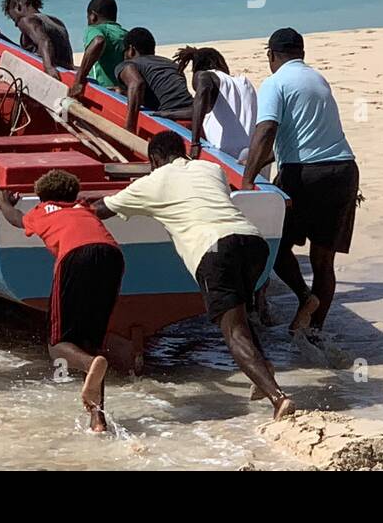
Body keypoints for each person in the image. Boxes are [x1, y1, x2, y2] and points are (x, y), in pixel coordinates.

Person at [95, 131, 295, 420]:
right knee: (241, 316)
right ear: (185, 152)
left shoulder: (152, 182)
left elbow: (103, 208)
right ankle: (263, 371)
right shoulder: (210, 168)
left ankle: (278, 398)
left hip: (213, 251)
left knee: (233, 332)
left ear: (154, 159)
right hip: (253, 243)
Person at [240, 28, 360, 336]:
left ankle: (305, 298)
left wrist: (246, 180)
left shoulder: (275, 82)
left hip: (306, 175)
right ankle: (314, 333)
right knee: (323, 260)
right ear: (302, 54)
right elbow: (305, 137)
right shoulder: (318, 79)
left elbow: (265, 131)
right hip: (344, 170)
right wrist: (264, 159)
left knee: (274, 247)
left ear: (271, 56)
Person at [0, 169, 125, 432]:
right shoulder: (83, 207)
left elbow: (15, 218)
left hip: (75, 256)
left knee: (57, 345)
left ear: (43, 198)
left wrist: (2, 202)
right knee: (90, 341)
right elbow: (99, 203)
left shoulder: (42, 211)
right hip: (112, 256)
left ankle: (89, 365)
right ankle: (97, 420)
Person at [174, 46, 258, 163]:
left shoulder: (205, 75)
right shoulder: (244, 82)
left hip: (225, 156)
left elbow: (202, 91)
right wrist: (168, 113)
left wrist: (195, 142)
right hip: (252, 154)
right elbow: (200, 111)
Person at [115, 27, 193, 133]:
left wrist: (129, 128)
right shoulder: (172, 64)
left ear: (131, 49)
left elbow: (137, 84)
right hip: (194, 117)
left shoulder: (129, 64)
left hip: (172, 123)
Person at [0, 0, 74, 81]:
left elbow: (44, 41)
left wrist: (49, 68)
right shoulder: (56, 22)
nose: (16, 25)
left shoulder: (26, 20)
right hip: (67, 73)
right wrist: (0, 37)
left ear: (19, 6)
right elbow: (27, 52)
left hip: (55, 76)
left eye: (15, 20)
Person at [67, 0, 127, 99]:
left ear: (92, 16)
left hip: (102, 92)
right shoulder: (125, 34)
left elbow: (98, 41)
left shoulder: (95, 29)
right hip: (122, 94)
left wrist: (79, 81)